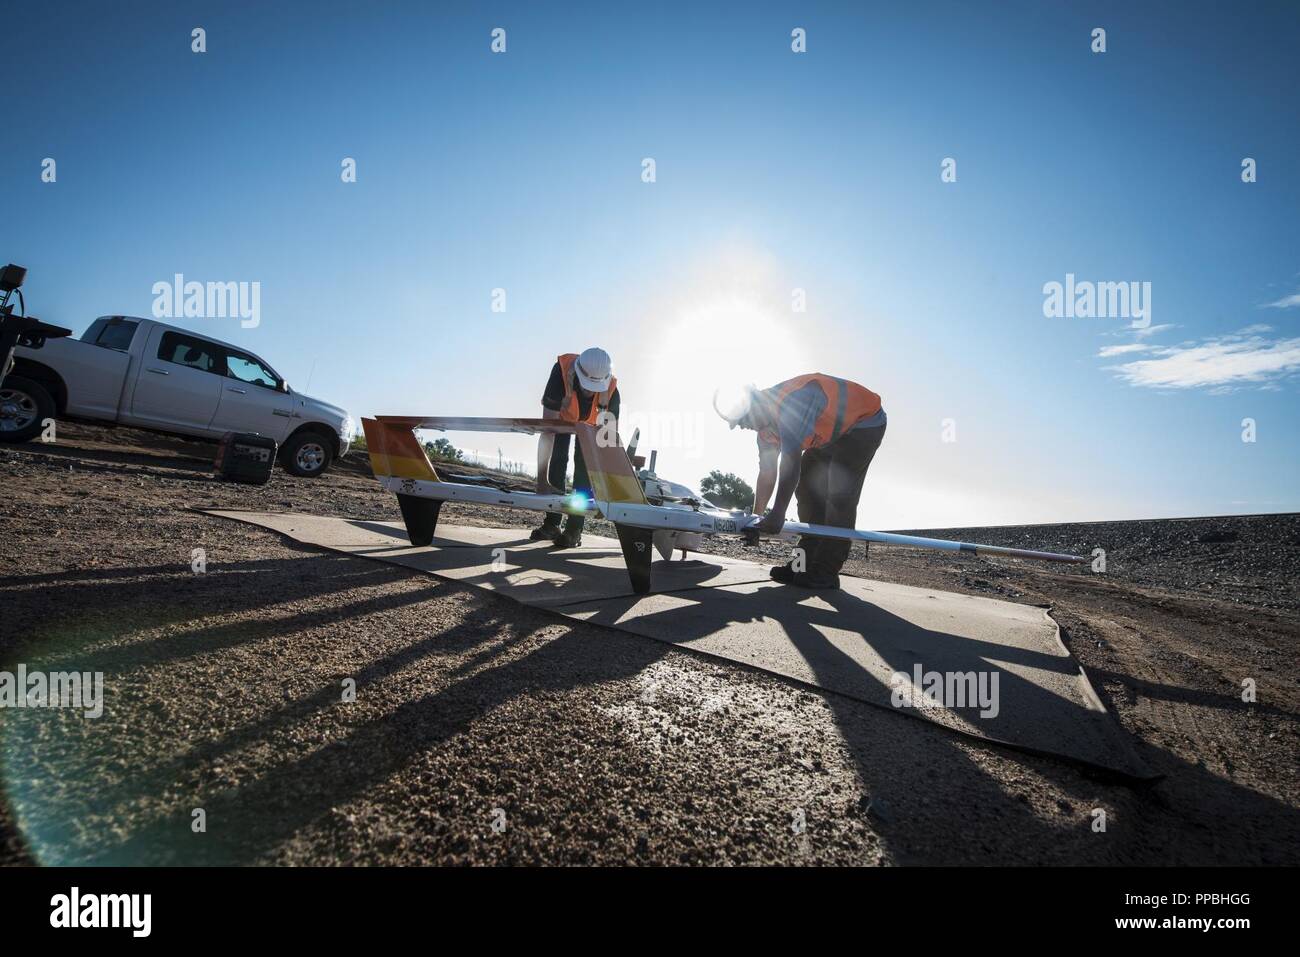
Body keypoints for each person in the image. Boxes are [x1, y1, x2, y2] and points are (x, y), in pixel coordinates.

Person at [714, 374, 886, 589]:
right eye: (737, 423)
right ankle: (800, 566)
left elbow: (790, 460)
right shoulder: (765, 433)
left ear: (755, 403)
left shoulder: (792, 403)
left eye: (743, 420)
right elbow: (767, 474)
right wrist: (756, 520)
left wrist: (778, 513)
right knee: (806, 490)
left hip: (864, 422)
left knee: (838, 494)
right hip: (830, 431)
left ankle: (826, 572)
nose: (741, 426)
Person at [531, 347, 620, 548]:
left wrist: (604, 486)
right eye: (586, 386)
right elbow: (547, 431)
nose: (589, 392)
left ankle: (574, 530)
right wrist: (541, 480)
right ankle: (552, 524)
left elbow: (607, 443)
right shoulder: (560, 374)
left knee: (584, 468)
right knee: (558, 459)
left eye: (594, 388)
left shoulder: (612, 390)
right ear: (577, 374)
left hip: (590, 427)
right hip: (562, 421)